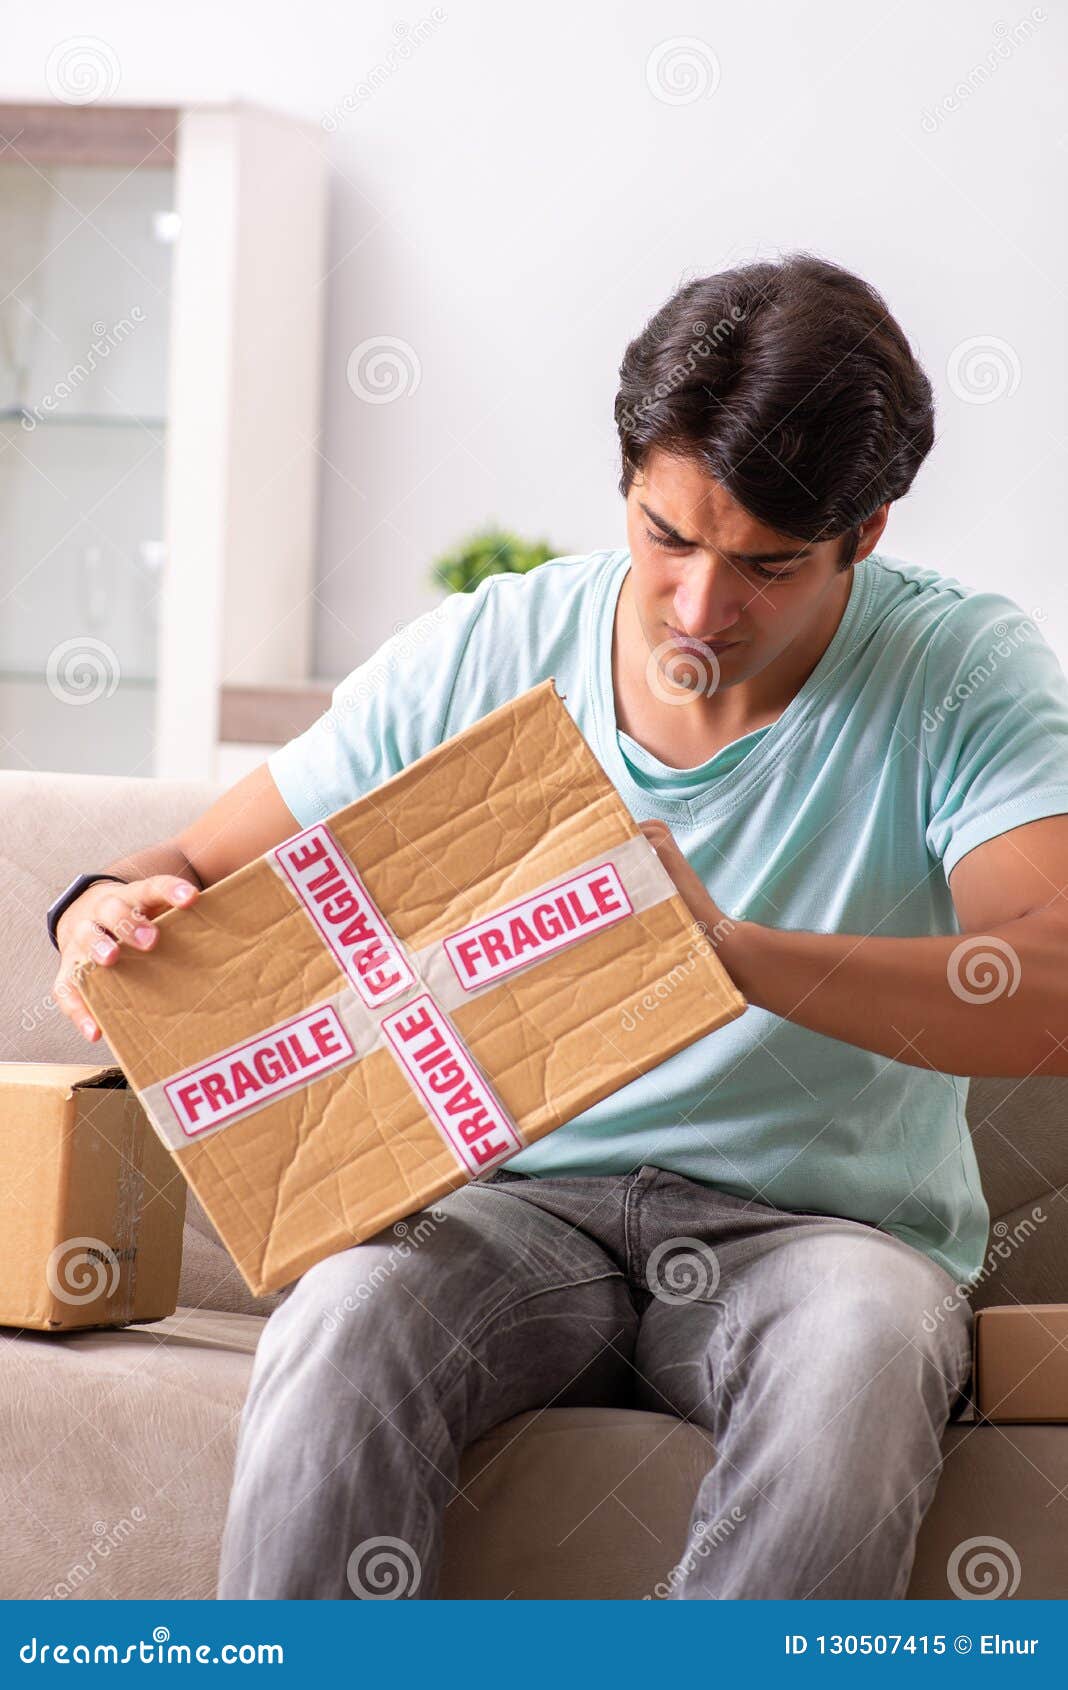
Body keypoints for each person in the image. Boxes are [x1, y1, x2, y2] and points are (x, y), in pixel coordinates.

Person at [48, 252, 1068, 1600]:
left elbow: (1046, 989)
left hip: (824, 1235)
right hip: (513, 1210)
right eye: (668, 537)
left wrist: (725, 954)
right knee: (347, 1312)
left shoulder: (960, 672)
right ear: (627, 480)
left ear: (866, 533)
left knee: (864, 1354)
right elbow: (183, 862)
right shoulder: (493, 647)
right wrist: (104, 908)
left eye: (767, 566)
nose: (701, 609)